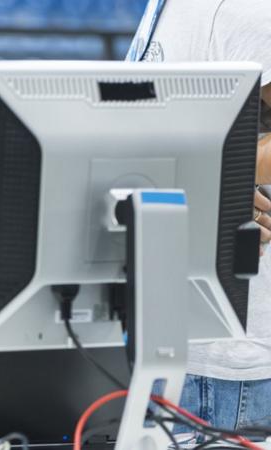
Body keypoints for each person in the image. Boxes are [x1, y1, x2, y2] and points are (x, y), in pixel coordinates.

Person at [127, 0, 271, 437]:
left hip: (232, 367)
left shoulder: (248, 12)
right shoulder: (164, 9)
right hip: (165, 345)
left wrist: (212, 182)